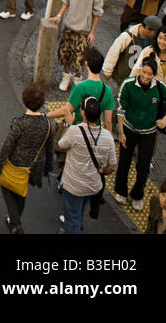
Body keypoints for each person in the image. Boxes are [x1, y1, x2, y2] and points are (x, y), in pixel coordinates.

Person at [114, 55, 166, 210]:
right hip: (129, 129)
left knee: (143, 167)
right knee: (124, 162)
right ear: (140, 70)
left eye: (149, 74)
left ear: (154, 75)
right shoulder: (128, 85)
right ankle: (120, 190)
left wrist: (164, 120)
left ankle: (137, 194)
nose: (146, 76)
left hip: (149, 133)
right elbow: (121, 110)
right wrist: (121, 133)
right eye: (144, 72)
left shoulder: (160, 87)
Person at [0, 83, 53, 233]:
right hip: (33, 166)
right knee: (21, 190)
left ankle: (15, 223)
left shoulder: (20, 122)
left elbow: (8, 145)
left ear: (25, 100)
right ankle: (15, 218)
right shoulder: (48, 124)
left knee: (6, 186)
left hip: (15, 162)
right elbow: (49, 148)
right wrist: (48, 167)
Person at [56, 94, 116, 234]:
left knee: (72, 218)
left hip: (73, 185)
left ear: (82, 112)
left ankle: (74, 228)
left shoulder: (74, 131)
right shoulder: (108, 137)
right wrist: (103, 171)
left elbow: (60, 145)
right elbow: (112, 166)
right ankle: (79, 225)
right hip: (93, 184)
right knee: (80, 209)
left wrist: (68, 124)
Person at [48, 0, 104, 90]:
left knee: (80, 58)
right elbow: (65, 1)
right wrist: (59, 15)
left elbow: (97, 14)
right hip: (69, 27)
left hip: (84, 31)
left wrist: (92, 32)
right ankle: (66, 76)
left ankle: (78, 78)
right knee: (65, 54)